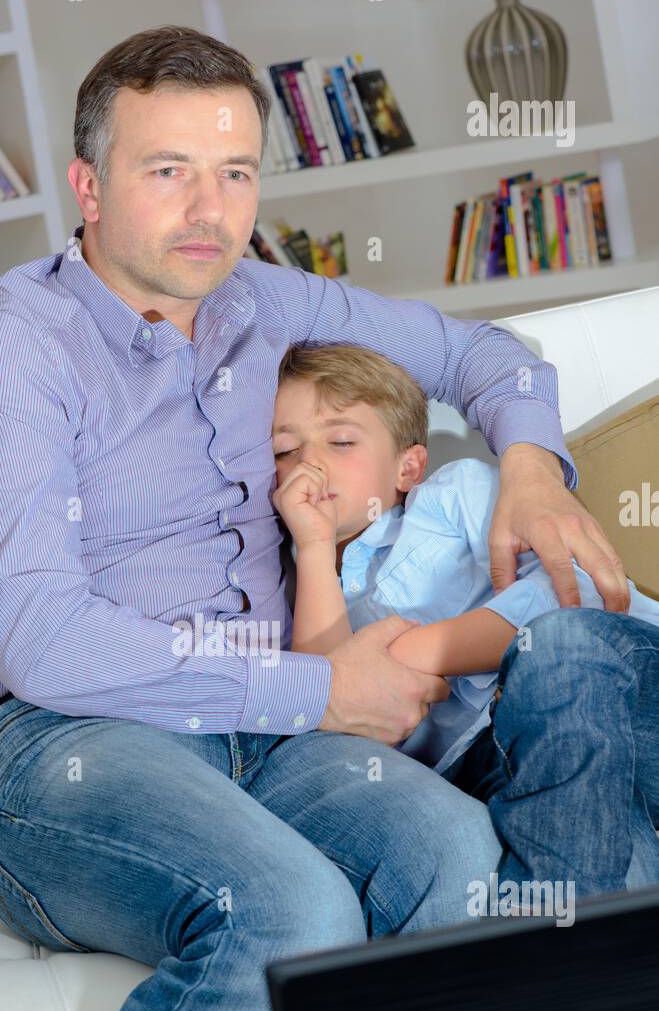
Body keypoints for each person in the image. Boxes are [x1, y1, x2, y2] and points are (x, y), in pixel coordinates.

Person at [0, 25, 634, 1011]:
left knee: (450, 854)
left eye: (236, 172)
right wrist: (317, 686)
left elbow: (486, 353)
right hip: (63, 745)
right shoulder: (10, 361)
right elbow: (46, 640)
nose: (210, 209)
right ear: (86, 186)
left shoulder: (262, 301)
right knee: (288, 909)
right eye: (168, 170)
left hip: (258, 738)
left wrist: (526, 460)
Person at [272, 341, 659, 898]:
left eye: (341, 440)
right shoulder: (293, 586)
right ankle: (578, 950)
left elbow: (567, 599)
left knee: (559, 647)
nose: (309, 464)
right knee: (612, 865)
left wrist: (408, 655)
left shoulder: (453, 497)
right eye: (285, 450)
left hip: (627, 693)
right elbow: (333, 702)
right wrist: (311, 549)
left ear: (408, 466)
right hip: (510, 766)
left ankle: (561, 951)